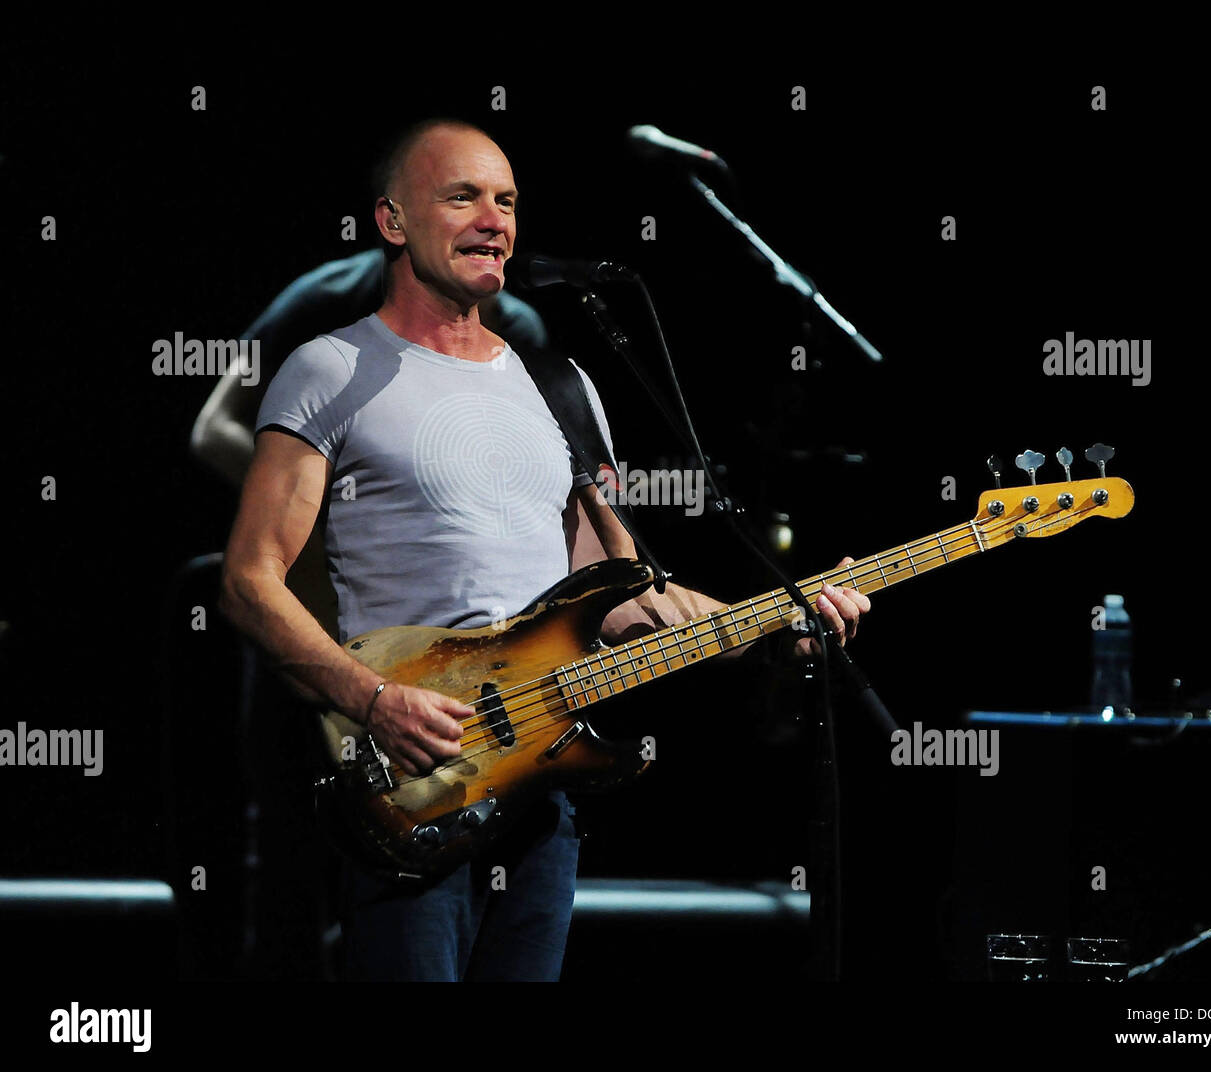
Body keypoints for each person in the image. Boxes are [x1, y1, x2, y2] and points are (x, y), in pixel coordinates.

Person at [218, 118, 872, 981]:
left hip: (542, 792)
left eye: (507, 200)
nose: (494, 218)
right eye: (463, 197)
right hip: (413, 776)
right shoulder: (330, 370)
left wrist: (780, 620)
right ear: (391, 222)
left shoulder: (562, 389)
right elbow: (247, 582)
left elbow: (629, 597)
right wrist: (374, 701)